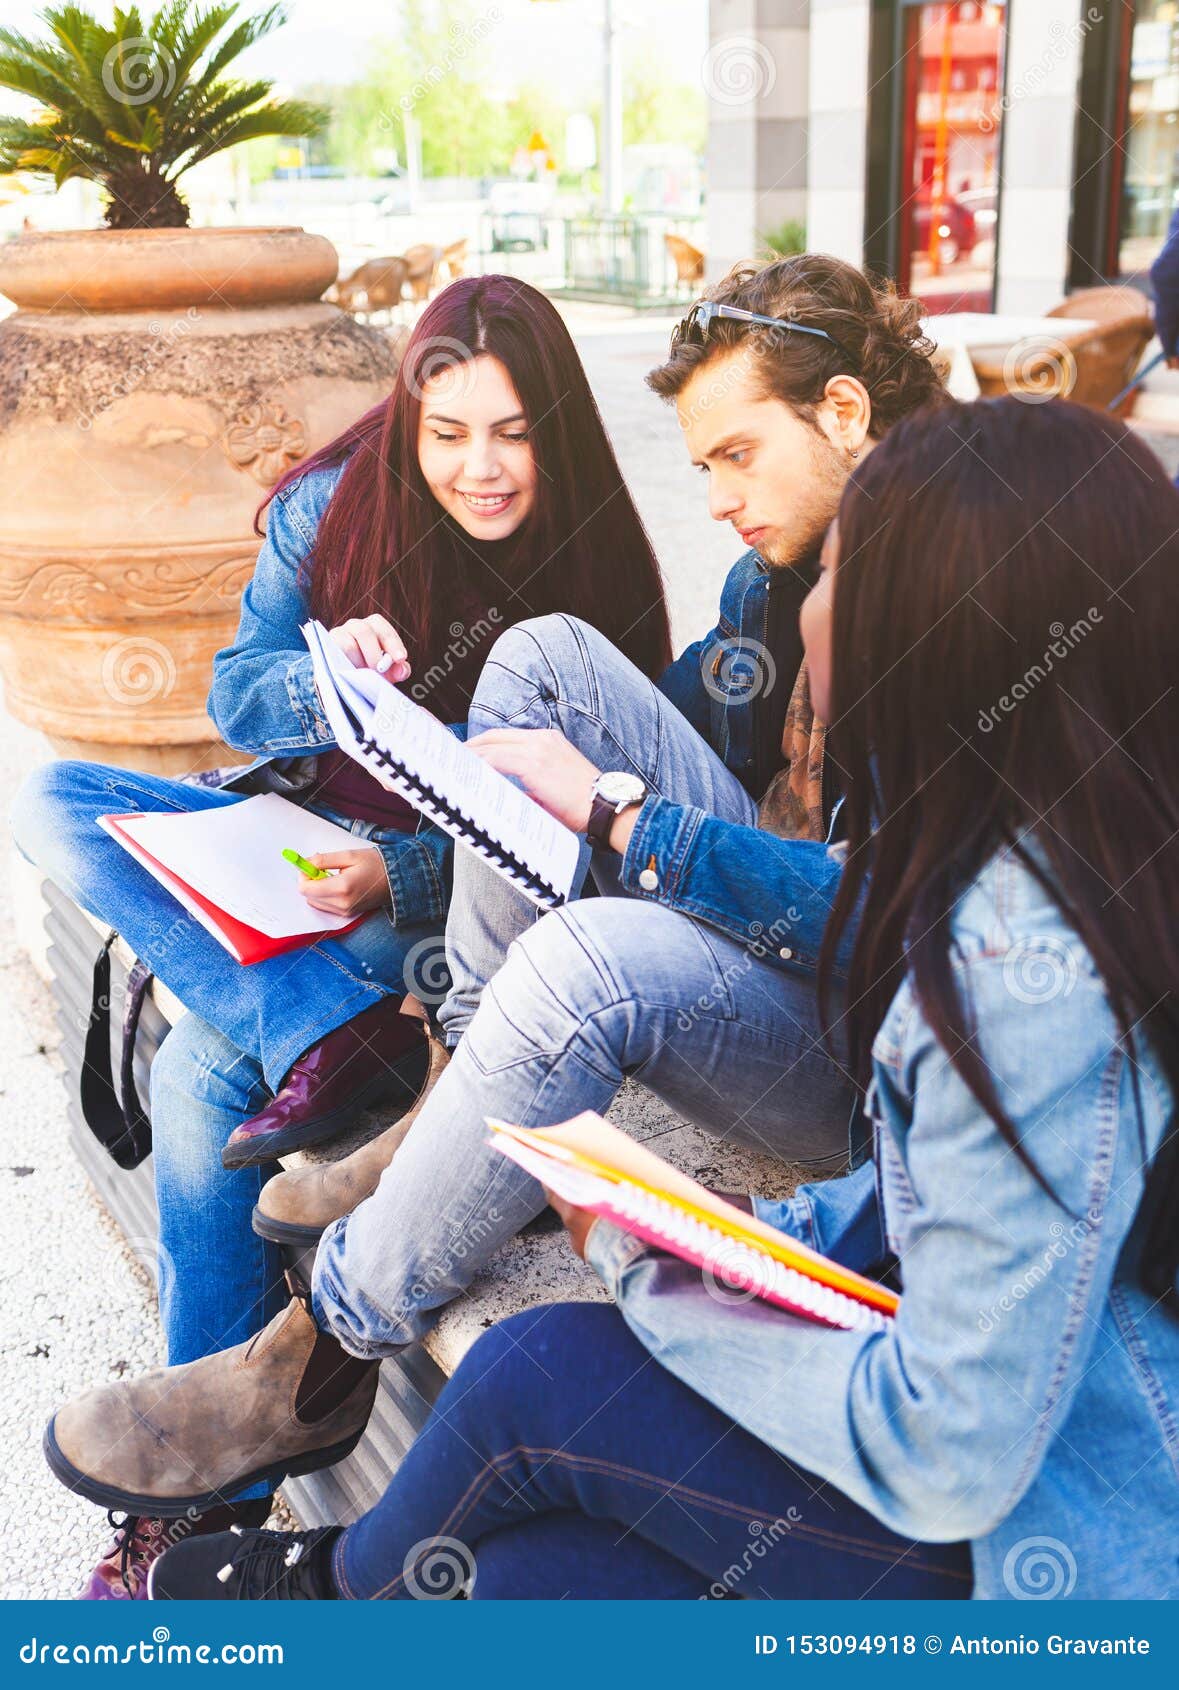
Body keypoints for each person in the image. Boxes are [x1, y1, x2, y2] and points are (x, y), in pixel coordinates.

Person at [152, 395, 1179, 1601]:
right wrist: (747, 1231)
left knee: (539, 1372)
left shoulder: (1019, 976)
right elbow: (940, 1194)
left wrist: (643, 1259)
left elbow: (943, 1447)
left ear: (947, 634)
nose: (809, 601)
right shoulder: (1065, 861)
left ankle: (318, 1588)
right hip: (1017, 1453)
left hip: (1053, 1558)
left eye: (841, 573)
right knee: (525, 1578)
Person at [41, 255, 952, 1527]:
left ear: (844, 411)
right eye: (703, 466)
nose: (717, 499)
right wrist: (397, 716)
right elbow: (655, 718)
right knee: (537, 660)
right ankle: (450, 1087)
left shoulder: (958, 585)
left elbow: (889, 920)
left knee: (533, 984)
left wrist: (619, 818)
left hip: (865, 1044)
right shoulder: (773, 573)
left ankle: (320, 1357)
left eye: (738, 456)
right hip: (456, 888)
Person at [12, 275, 672, 1596]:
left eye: (513, 434)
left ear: (556, 431)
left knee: (200, 1077)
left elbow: (581, 846)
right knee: (53, 798)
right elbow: (236, 696)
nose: (479, 468)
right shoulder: (335, 507)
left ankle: (205, 1503)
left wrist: (399, 876)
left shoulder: (591, 568)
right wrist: (323, 680)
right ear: (408, 424)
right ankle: (324, 1025)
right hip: (303, 854)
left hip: (431, 911)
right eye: (448, 434)